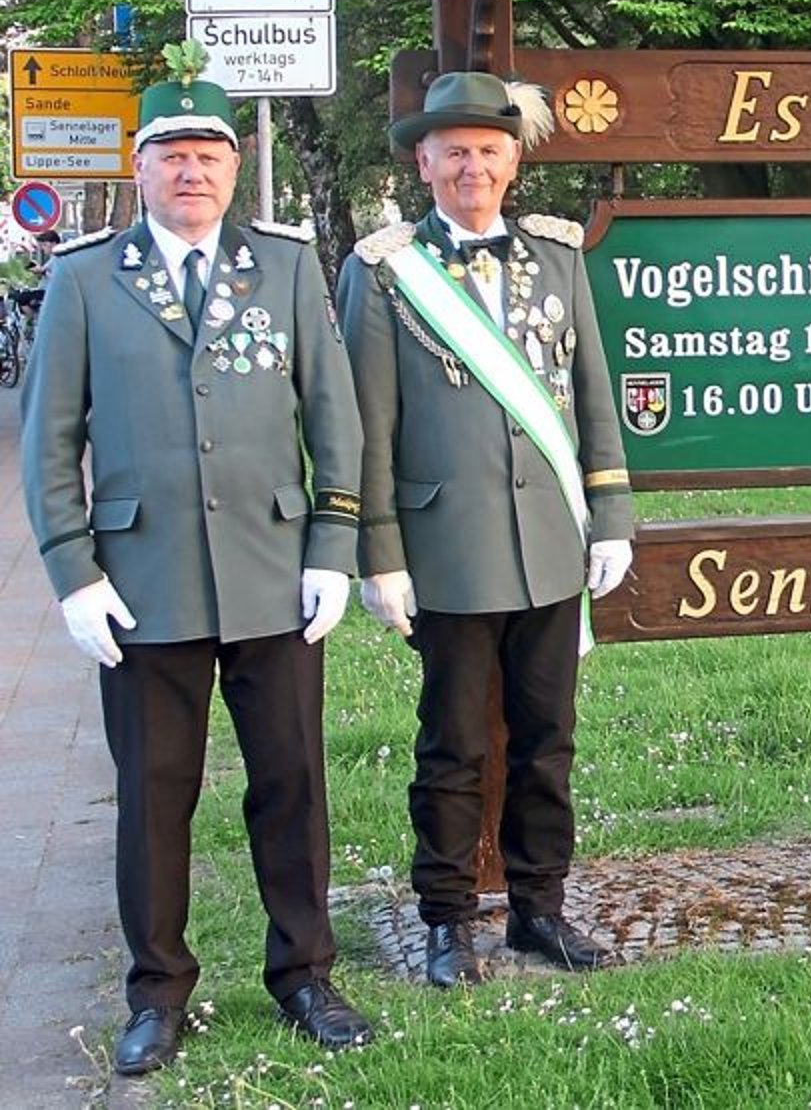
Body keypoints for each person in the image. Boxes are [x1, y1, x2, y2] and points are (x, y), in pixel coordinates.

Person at [19, 57, 372, 1075]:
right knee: (153, 796)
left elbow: (333, 418)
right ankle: (158, 991)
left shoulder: (289, 266)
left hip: (272, 570)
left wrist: (333, 548)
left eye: (208, 153)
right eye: (171, 154)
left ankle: (305, 971)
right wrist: (73, 572)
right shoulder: (87, 279)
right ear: (141, 169)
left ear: (234, 162)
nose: (191, 172)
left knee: (293, 784)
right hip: (142, 585)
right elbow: (51, 442)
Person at [337, 71, 636, 984]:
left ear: (514, 159)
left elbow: (593, 399)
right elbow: (366, 428)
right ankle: (446, 920)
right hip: (448, 554)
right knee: (454, 746)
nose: (474, 165)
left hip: (550, 544)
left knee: (547, 743)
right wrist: (379, 554)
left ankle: (540, 911)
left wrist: (612, 513)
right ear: (423, 160)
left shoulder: (558, 255)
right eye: (455, 150)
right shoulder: (384, 272)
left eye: (490, 149)